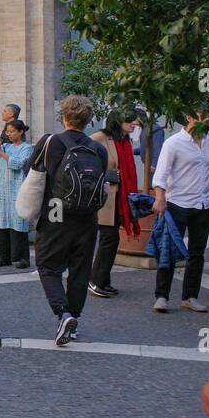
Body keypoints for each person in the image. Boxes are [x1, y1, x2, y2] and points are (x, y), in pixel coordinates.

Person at [28, 95, 109, 346]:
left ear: (63, 117)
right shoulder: (98, 149)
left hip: (55, 212)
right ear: (87, 121)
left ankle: (63, 313)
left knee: (48, 266)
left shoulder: (50, 143)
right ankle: (73, 320)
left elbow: (31, 171)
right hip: (87, 217)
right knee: (80, 271)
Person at [150, 113, 209, 313]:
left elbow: (204, 169)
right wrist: (160, 198)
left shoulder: (208, 140)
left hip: (203, 204)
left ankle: (190, 297)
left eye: (208, 118)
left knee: (197, 253)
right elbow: (160, 175)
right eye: (201, 117)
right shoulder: (173, 143)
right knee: (168, 252)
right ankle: (161, 296)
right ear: (189, 117)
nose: (205, 122)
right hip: (177, 203)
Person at [87, 111, 140, 298]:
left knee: (112, 240)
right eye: (129, 120)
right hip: (105, 198)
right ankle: (95, 281)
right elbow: (85, 162)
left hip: (121, 198)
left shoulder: (126, 140)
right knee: (108, 239)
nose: (134, 123)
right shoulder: (99, 138)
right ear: (117, 121)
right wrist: (104, 175)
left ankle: (103, 280)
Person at [0, 118, 32, 268]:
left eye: (12, 131)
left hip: (17, 189)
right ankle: (2, 256)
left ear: (21, 132)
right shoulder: (4, 146)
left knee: (17, 222)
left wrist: (1, 152)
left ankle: (21, 258)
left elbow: (17, 164)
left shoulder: (27, 148)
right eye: (7, 132)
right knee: (1, 221)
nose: (9, 134)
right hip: (1, 190)